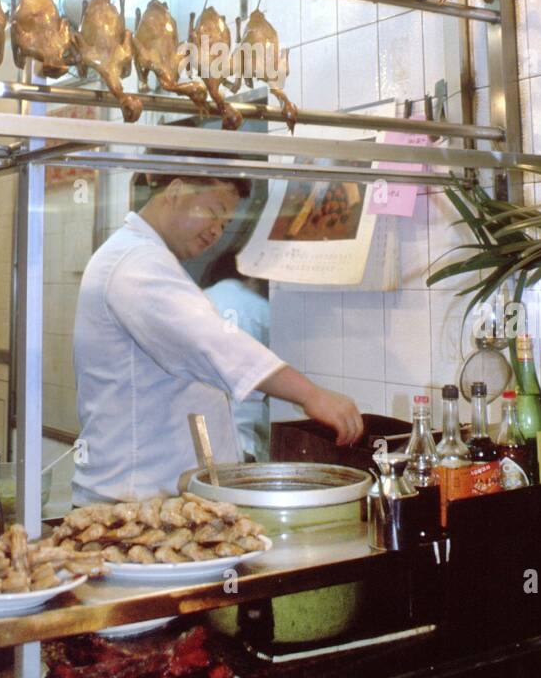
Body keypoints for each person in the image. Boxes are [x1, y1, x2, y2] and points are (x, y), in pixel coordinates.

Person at [72, 172, 363, 502]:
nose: (216, 232)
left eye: (225, 224)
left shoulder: (147, 257)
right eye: (214, 213)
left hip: (157, 497)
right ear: (177, 191)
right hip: (131, 506)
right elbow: (211, 342)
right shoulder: (136, 262)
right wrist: (311, 395)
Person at [202, 252, 271, 461]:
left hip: (194, 431)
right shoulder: (260, 307)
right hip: (242, 434)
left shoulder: (198, 297)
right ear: (251, 275)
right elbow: (276, 371)